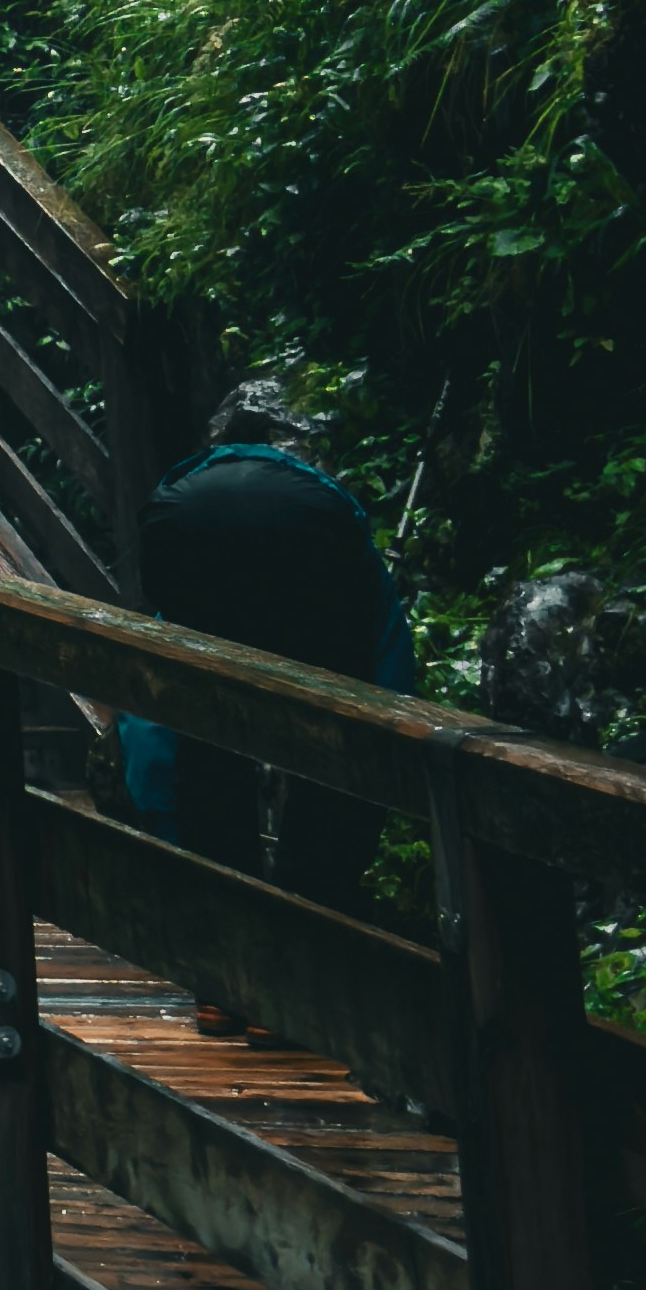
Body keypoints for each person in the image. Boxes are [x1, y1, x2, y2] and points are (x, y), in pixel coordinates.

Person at [117, 382, 405, 911]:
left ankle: (214, 883)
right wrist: (388, 751)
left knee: (197, 700)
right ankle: (319, 893)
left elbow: (153, 703)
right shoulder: (321, 502)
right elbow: (386, 662)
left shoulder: (208, 470)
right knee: (342, 712)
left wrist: (161, 816)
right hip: (307, 532)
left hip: (180, 520)